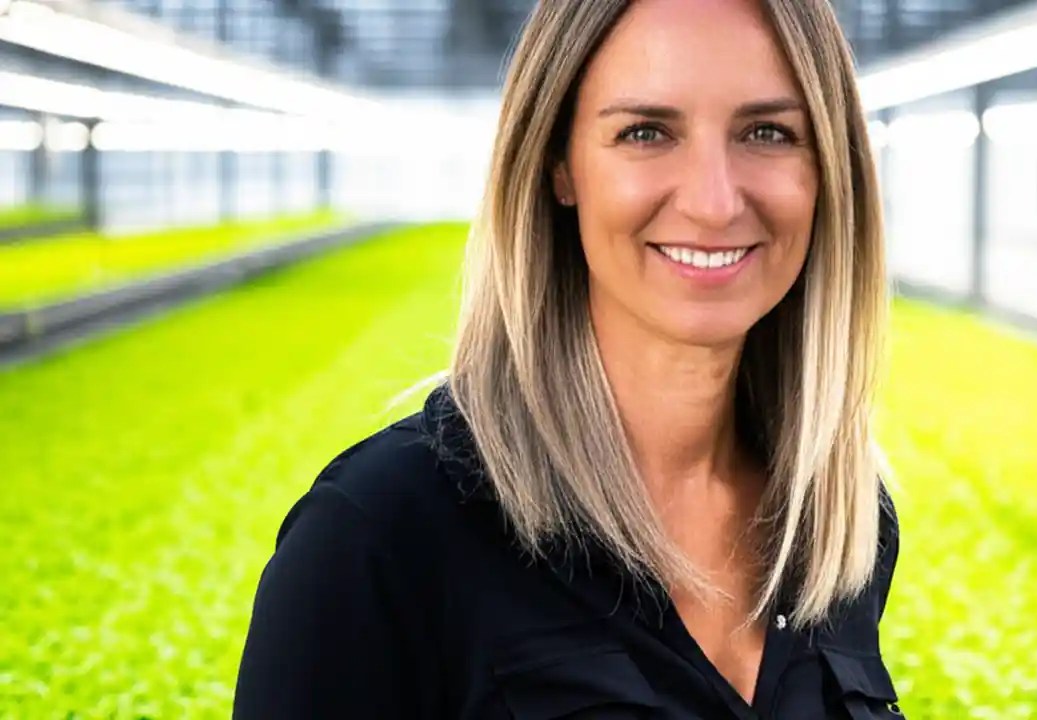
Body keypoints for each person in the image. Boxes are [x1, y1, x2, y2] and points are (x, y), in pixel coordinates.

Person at [233, 0, 904, 717]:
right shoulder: (380, 539)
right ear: (559, 166)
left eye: (767, 133)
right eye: (646, 132)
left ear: (830, 170)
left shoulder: (843, 524)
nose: (713, 202)